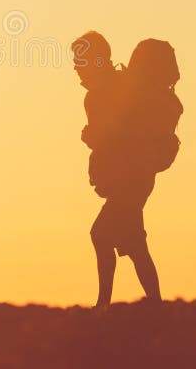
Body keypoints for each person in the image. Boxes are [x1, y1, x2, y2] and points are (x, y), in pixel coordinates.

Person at [73, 32, 176, 308]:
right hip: (129, 178)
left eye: (80, 59)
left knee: (100, 234)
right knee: (135, 244)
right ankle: (155, 305)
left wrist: (93, 136)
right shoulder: (101, 93)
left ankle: (103, 304)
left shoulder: (117, 89)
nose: (76, 67)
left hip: (134, 178)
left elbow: (119, 133)